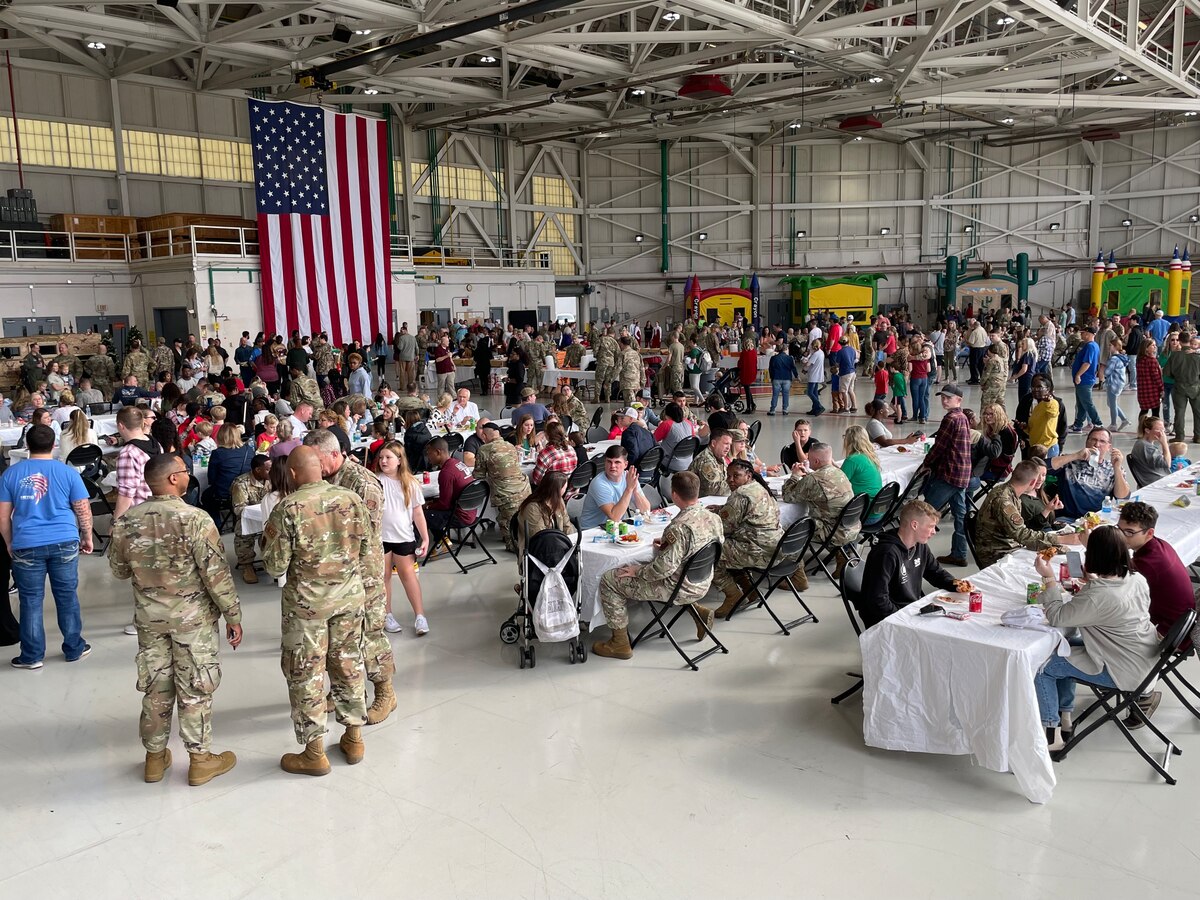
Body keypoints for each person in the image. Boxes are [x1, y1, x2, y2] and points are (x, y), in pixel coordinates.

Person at [107, 452, 242, 785]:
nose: (187, 476)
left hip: (150, 621)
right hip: (192, 622)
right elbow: (216, 575)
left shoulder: (127, 521)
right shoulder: (196, 519)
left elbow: (118, 570)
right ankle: (199, 760)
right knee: (195, 686)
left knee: (156, 688)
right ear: (172, 479)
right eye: (184, 471)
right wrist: (233, 615)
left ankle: (154, 759)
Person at [262, 446, 375, 776]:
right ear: (321, 469)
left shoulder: (289, 508)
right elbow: (367, 548)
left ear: (293, 474)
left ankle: (314, 753)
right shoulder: (350, 499)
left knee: (306, 673)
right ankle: (354, 739)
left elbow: (274, 564)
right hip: (349, 599)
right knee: (348, 664)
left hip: (307, 607)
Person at [1031, 527, 1161, 751]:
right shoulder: (1137, 579)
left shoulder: (1099, 596)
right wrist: (1092, 581)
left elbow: (1057, 617)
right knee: (1065, 647)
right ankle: (1065, 715)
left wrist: (1049, 578)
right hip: (1144, 661)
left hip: (1123, 669)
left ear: (1093, 557)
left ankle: (1051, 735)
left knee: (1042, 666)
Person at [303, 429, 395, 725]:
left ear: (334, 454)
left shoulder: (362, 483)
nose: (313, 467)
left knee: (370, 634)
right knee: (337, 639)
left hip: (361, 575)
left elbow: (363, 536)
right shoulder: (321, 481)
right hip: (330, 578)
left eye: (316, 460)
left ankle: (385, 691)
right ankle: (342, 690)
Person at [591, 471, 724, 660]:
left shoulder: (679, 527)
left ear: (674, 495)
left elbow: (662, 570)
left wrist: (638, 571)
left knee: (610, 579)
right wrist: (668, 545)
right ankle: (700, 613)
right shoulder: (713, 518)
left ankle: (619, 643)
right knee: (661, 566)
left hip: (678, 588)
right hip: (701, 581)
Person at [0, 424, 92, 669]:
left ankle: (31, 656)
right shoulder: (68, 472)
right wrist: (87, 536)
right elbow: (82, 508)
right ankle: (73, 648)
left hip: (26, 542)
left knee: (30, 600)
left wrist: (9, 542)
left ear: (27, 446)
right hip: (64, 540)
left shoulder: (10, 474)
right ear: (54, 445)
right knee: (67, 596)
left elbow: (3, 517)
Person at [856, 500, 963, 629]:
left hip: (911, 610)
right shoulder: (886, 553)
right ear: (914, 525)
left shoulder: (920, 546)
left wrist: (956, 585)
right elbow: (878, 600)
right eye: (931, 526)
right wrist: (905, 618)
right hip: (889, 620)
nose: (934, 532)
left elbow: (936, 573)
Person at [711, 459, 785, 617]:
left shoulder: (740, 494)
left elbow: (724, 528)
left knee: (710, 551)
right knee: (730, 548)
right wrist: (722, 510)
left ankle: (733, 595)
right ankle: (750, 589)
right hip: (777, 548)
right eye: (728, 476)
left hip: (758, 552)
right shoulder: (759, 488)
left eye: (736, 476)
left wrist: (708, 520)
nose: (730, 480)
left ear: (748, 475)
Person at [973, 460, 1080, 567]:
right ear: (1033, 482)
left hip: (1008, 546)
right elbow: (1022, 534)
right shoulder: (1004, 501)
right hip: (997, 554)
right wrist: (1062, 539)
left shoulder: (1006, 490)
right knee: (1051, 566)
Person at [376, 440, 430, 636]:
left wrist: (425, 538)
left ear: (399, 460)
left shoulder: (410, 483)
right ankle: (387, 613)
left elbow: (417, 513)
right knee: (384, 577)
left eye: (388, 457)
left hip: (403, 537)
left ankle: (420, 615)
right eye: (381, 457)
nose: (383, 461)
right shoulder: (375, 481)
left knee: (409, 576)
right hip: (380, 538)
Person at [920, 385, 972, 567]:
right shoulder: (963, 417)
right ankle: (959, 553)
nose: (944, 400)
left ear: (958, 399)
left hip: (950, 474)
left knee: (924, 511)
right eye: (942, 397)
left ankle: (914, 552)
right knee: (960, 515)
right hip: (963, 473)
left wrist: (926, 464)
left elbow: (939, 447)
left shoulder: (950, 419)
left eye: (948, 398)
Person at [781, 441, 861, 548]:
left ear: (816, 461)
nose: (807, 460)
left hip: (833, 532)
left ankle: (797, 562)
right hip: (851, 527)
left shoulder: (813, 479)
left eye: (809, 458)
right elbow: (823, 482)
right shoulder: (839, 472)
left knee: (787, 526)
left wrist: (794, 476)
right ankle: (839, 553)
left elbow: (787, 497)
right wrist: (809, 475)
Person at [473, 422, 532, 552]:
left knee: (507, 522)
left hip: (506, 494)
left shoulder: (484, 450)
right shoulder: (510, 446)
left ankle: (514, 545)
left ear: (484, 435)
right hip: (524, 490)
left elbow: (478, 475)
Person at [1049, 426, 1131, 518]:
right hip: (1068, 518)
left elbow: (1123, 498)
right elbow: (1041, 467)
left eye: (1102, 441)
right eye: (1093, 440)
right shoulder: (1070, 462)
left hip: (1097, 520)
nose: (1097, 444)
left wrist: (1117, 467)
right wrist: (1075, 455)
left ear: (1109, 447)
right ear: (1086, 442)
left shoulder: (1112, 468)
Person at [580, 445, 651, 529]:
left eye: (617, 462)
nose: (612, 466)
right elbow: (614, 517)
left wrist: (634, 490)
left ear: (625, 464)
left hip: (614, 528)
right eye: (609, 462)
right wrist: (629, 489)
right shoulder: (599, 483)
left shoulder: (629, 478)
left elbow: (646, 511)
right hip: (592, 531)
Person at [423, 437, 478, 543]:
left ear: (438, 452)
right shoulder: (458, 463)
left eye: (429, 454)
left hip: (460, 517)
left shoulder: (446, 473)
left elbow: (444, 505)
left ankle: (439, 543)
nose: (428, 458)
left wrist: (427, 505)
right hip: (471, 511)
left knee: (420, 516)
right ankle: (443, 541)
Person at [515, 471, 575, 564]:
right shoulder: (532, 508)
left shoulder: (558, 501)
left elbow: (567, 525)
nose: (565, 490)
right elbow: (541, 537)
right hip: (538, 553)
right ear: (557, 489)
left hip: (557, 548)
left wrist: (572, 543)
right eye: (564, 487)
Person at [230, 454, 271, 584]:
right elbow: (238, 509)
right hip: (248, 518)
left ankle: (270, 559)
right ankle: (246, 564)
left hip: (267, 517)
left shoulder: (271, 480)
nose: (271, 472)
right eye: (268, 469)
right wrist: (257, 511)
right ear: (258, 470)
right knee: (242, 530)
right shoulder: (241, 483)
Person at [201, 424, 254, 525]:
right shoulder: (249, 450)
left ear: (220, 436)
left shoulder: (218, 453)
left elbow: (211, 479)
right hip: (247, 490)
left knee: (206, 496)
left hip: (225, 492)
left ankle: (217, 524)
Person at [1069, 324, 1103, 432]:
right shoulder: (1092, 345)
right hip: (1085, 378)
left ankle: (1097, 423)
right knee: (1081, 403)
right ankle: (1078, 424)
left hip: (1085, 379)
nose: (1082, 335)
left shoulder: (1090, 346)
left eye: (1083, 333)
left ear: (1088, 334)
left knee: (1087, 402)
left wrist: (1078, 375)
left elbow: (1087, 363)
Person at [841, 425, 884, 501]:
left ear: (849, 440)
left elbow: (839, 482)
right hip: (875, 502)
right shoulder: (870, 456)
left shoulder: (852, 460)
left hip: (861, 505)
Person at [1128, 415, 1171, 488]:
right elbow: (1167, 464)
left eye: (1163, 430)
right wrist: (1165, 444)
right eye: (1159, 430)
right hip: (1155, 483)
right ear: (1147, 430)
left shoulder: (1145, 444)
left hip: (1156, 478)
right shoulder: (1145, 447)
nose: (1162, 434)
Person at [689, 429, 733, 498]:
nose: (728, 448)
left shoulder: (719, 456)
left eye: (730, 444)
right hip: (700, 501)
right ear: (713, 443)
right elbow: (714, 489)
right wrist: (738, 484)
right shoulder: (705, 460)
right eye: (726, 444)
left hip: (713, 499)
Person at [531, 421, 576, 486]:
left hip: (550, 492)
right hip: (568, 491)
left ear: (547, 435)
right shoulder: (571, 449)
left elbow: (537, 480)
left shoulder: (546, 453)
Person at [1103, 337, 1130, 430]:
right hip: (1119, 382)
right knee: (1110, 403)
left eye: (1110, 345)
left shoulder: (1114, 359)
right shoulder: (1121, 358)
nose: (1109, 347)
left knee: (1112, 403)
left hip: (1113, 383)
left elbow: (1107, 372)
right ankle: (1124, 419)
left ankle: (1113, 424)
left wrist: (1102, 371)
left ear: (1115, 347)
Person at [767, 346, 798, 417]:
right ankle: (785, 409)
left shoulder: (773, 358)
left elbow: (770, 369)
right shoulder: (790, 358)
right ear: (786, 349)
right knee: (786, 394)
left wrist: (772, 377)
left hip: (776, 378)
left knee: (775, 394)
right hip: (787, 378)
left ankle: (772, 410)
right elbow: (793, 368)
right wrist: (796, 376)